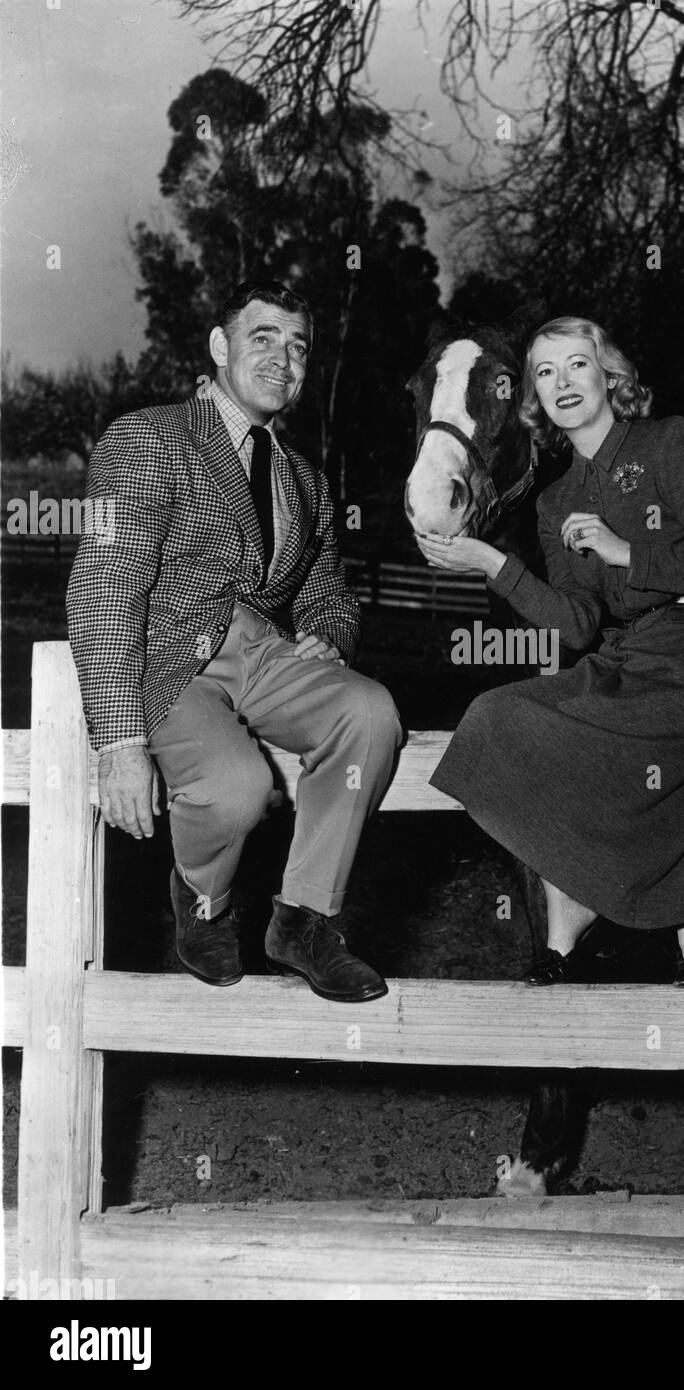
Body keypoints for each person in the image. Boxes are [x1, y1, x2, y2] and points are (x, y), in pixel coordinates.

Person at [67, 279, 401, 1002]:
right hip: (168, 662)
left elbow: (328, 592)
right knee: (234, 788)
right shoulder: (146, 437)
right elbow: (104, 586)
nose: (284, 358)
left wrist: (328, 634)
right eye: (263, 338)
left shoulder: (305, 480)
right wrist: (119, 743)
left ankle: (304, 920)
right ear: (219, 348)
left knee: (371, 714)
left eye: (298, 345)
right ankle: (204, 902)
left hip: (264, 654)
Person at [417, 316, 684, 986]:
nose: (562, 382)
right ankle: (580, 891)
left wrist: (623, 550)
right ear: (533, 401)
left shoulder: (668, 443)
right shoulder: (554, 502)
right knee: (495, 716)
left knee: (621, 743)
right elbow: (574, 624)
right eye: (544, 373)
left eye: (576, 364)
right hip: (627, 658)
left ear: (609, 374)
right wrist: (490, 562)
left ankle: (681, 900)